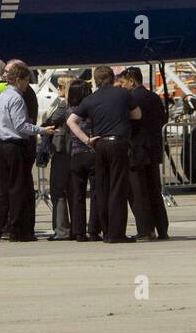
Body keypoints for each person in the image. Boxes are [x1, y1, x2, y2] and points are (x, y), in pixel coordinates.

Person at [67, 66, 141, 243]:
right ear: (111, 78)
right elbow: (137, 115)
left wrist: (87, 139)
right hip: (118, 143)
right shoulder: (123, 94)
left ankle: (106, 231)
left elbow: (71, 121)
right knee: (118, 188)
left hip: (99, 145)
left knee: (102, 189)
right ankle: (117, 233)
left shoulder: (91, 99)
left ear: (96, 80)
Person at [0, 62, 54, 242]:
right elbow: (21, 125)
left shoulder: (1, 96)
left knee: (3, 189)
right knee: (18, 189)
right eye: (26, 80)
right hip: (14, 145)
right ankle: (17, 230)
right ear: (19, 80)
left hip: (2, 145)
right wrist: (42, 130)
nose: (28, 84)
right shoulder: (17, 98)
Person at [121, 66, 170, 241]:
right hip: (153, 149)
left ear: (131, 81)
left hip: (136, 150)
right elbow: (162, 119)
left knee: (138, 192)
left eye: (123, 82)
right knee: (154, 190)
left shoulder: (131, 99)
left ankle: (145, 230)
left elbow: (129, 123)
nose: (122, 86)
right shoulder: (154, 97)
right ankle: (162, 228)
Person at [65, 79, 101, 241]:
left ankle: (78, 231)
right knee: (95, 193)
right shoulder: (92, 110)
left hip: (76, 154)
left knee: (77, 194)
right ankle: (94, 229)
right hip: (92, 152)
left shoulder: (69, 111)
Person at [41, 76, 74, 240]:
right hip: (74, 150)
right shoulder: (80, 104)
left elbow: (49, 121)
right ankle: (76, 227)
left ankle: (62, 229)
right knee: (74, 190)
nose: (58, 88)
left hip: (62, 150)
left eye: (61, 86)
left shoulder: (63, 105)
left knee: (58, 190)